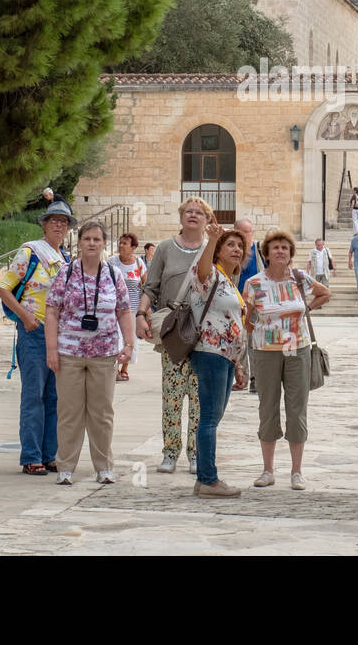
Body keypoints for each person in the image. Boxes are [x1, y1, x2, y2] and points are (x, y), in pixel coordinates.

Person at [45, 220, 134, 485]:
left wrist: (128, 344)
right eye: (87, 239)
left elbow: (124, 310)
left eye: (97, 239)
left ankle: (104, 466)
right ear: (80, 242)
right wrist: (51, 350)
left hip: (104, 353)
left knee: (102, 412)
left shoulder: (114, 274)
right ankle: (66, 467)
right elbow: (52, 311)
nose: (92, 244)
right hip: (69, 352)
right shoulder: (66, 272)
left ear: (104, 243)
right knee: (69, 412)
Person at [243, 229, 330, 490]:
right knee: (267, 409)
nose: (280, 251)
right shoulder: (254, 283)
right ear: (267, 253)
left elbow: (325, 293)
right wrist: (256, 326)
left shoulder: (299, 278)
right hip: (266, 351)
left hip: (298, 350)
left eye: (284, 247)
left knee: (297, 409)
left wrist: (307, 311)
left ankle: (296, 471)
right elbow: (248, 320)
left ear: (290, 253)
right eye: (275, 247)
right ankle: (268, 470)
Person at [0, 200, 72, 475]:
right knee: (34, 395)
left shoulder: (65, 259)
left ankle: (48, 453)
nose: (58, 224)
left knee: (54, 396)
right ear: (44, 224)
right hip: (33, 331)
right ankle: (31, 456)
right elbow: (4, 288)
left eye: (63, 221)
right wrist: (25, 317)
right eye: (53, 219)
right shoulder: (29, 252)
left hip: (58, 336)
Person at [138, 198, 208, 474]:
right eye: (188, 211)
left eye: (199, 212)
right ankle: (170, 452)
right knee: (172, 393)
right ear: (180, 217)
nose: (193, 215)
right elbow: (151, 287)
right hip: (175, 328)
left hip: (204, 328)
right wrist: (141, 315)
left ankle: (195, 453)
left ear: (206, 219)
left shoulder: (210, 248)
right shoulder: (166, 248)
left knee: (200, 396)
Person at [188, 219, 250, 497]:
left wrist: (238, 363)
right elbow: (201, 272)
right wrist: (212, 239)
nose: (237, 249)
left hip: (225, 356)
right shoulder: (211, 273)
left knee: (214, 416)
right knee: (210, 418)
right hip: (210, 353)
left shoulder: (229, 281)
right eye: (231, 245)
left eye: (240, 246)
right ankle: (209, 480)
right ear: (219, 251)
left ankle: (204, 478)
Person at [108, 233, 147, 382]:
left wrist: (145, 309)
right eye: (120, 242)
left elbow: (146, 285)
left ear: (133, 247)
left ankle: (124, 368)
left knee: (129, 340)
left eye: (125, 243)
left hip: (133, 308)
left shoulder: (138, 263)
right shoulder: (112, 262)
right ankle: (115, 368)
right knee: (115, 337)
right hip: (114, 308)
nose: (121, 246)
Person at [235, 217, 263, 393]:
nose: (247, 234)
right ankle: (242, 377)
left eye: (249, 231)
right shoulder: (232, 251)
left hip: (256, 303)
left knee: (255, 342)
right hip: (237, 302)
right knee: (239, 342)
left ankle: (256, 380)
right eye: (243, 231)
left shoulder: (259, 249)